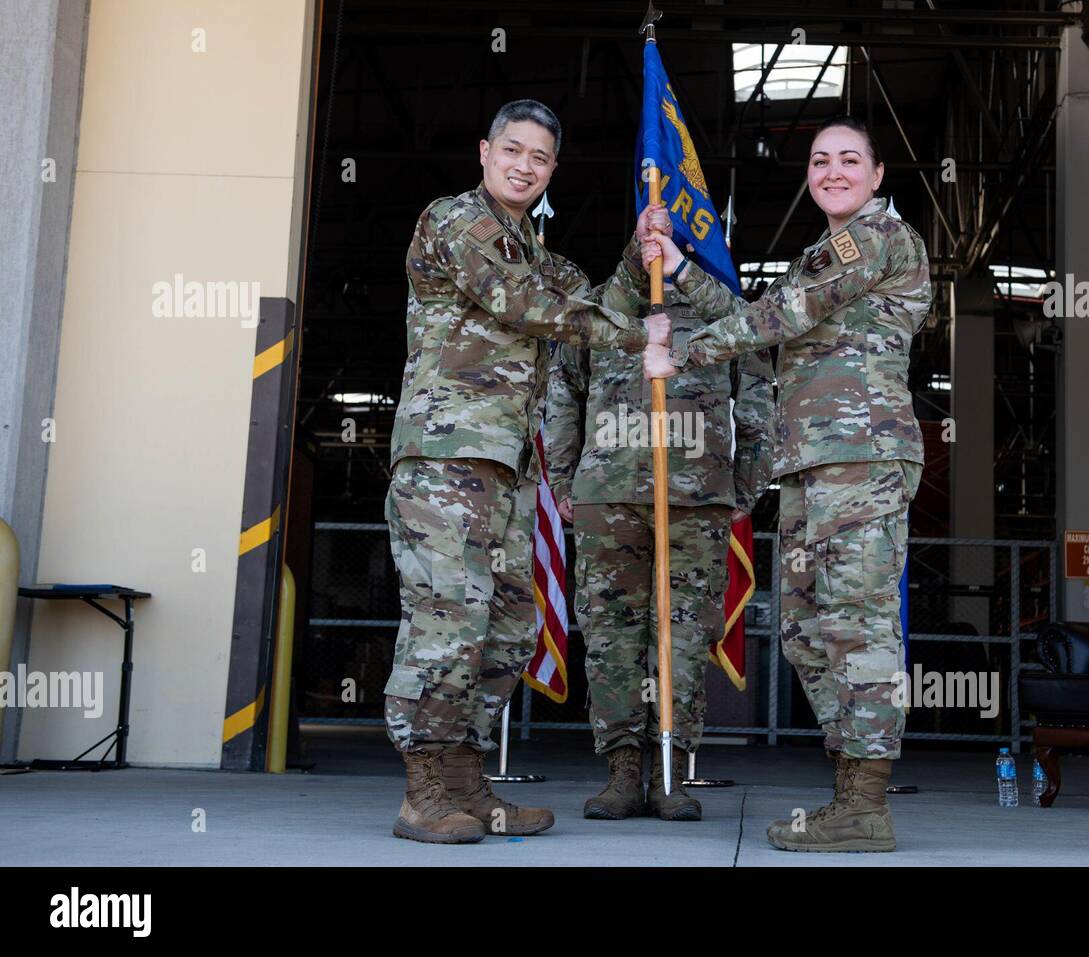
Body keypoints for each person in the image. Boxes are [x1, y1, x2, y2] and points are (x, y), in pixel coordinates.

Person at [640, 115, 932, 852]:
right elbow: (760, 316)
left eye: (849, 159)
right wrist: (676, 268)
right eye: (820, 160)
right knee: (806, 628)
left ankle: (867, 800)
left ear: (876, 175)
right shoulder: (821, 254)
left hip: (862, 458)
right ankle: (850, 793)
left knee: (858, 624)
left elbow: (784, 315)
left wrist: (684, 353)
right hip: (810, 463)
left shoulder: (877, 237)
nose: (833, 170)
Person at [386, 99, 657, 845]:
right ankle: (424, 790)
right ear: (484, 151)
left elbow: (591, 300)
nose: (524, 166)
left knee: (507, 625)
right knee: (446, 619)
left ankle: (468, 782)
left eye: (539, 158)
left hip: (509, 469)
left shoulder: (539, 253)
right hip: (446, 455)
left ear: (552, 171)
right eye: (513, 150)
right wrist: (641, 339)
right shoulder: (454, 222)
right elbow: (535, 306)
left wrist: (641, 253)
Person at [545, 231, 774, 821]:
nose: (651, 249)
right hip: (609, 494)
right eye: (642, 239)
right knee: (611, 636)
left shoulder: (722, 314)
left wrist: (745, 485)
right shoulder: (597, 312)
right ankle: (622, 769)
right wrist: (568, 479)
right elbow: (562, 396)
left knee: (684, 635)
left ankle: (670, 771)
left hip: (697, 499)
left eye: (662, 240)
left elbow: (756, 403)